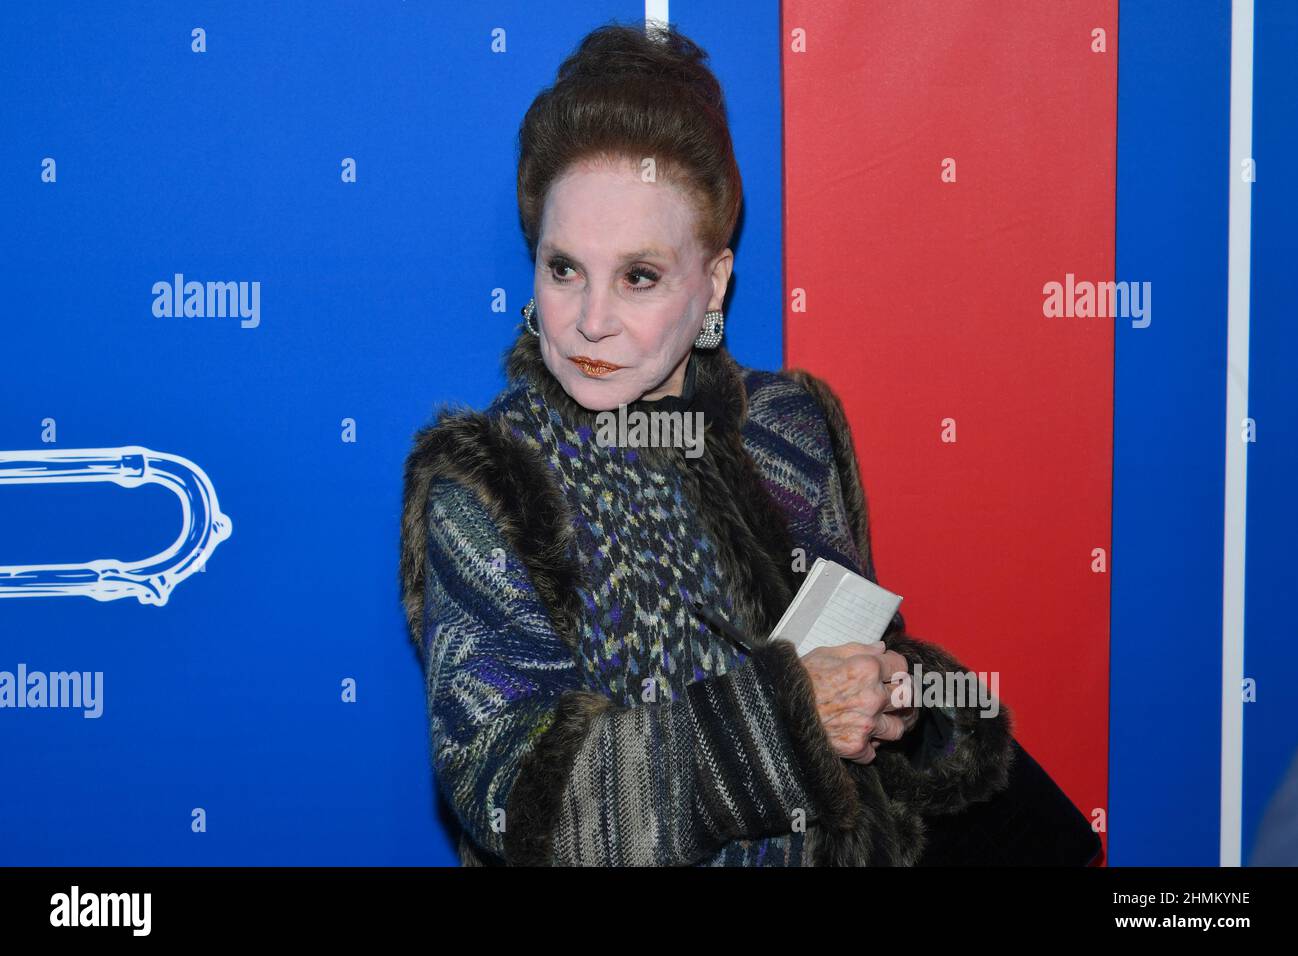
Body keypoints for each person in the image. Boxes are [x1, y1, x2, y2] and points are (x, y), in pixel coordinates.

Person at [399, 21, 1024, 866]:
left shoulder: (786, 428)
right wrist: (786, 721)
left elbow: (857, 675)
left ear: (715, 284)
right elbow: (519, 801)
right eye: (564, 268)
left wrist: (893, 702)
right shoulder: (488, 480)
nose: (590, 320)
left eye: (640, 276)